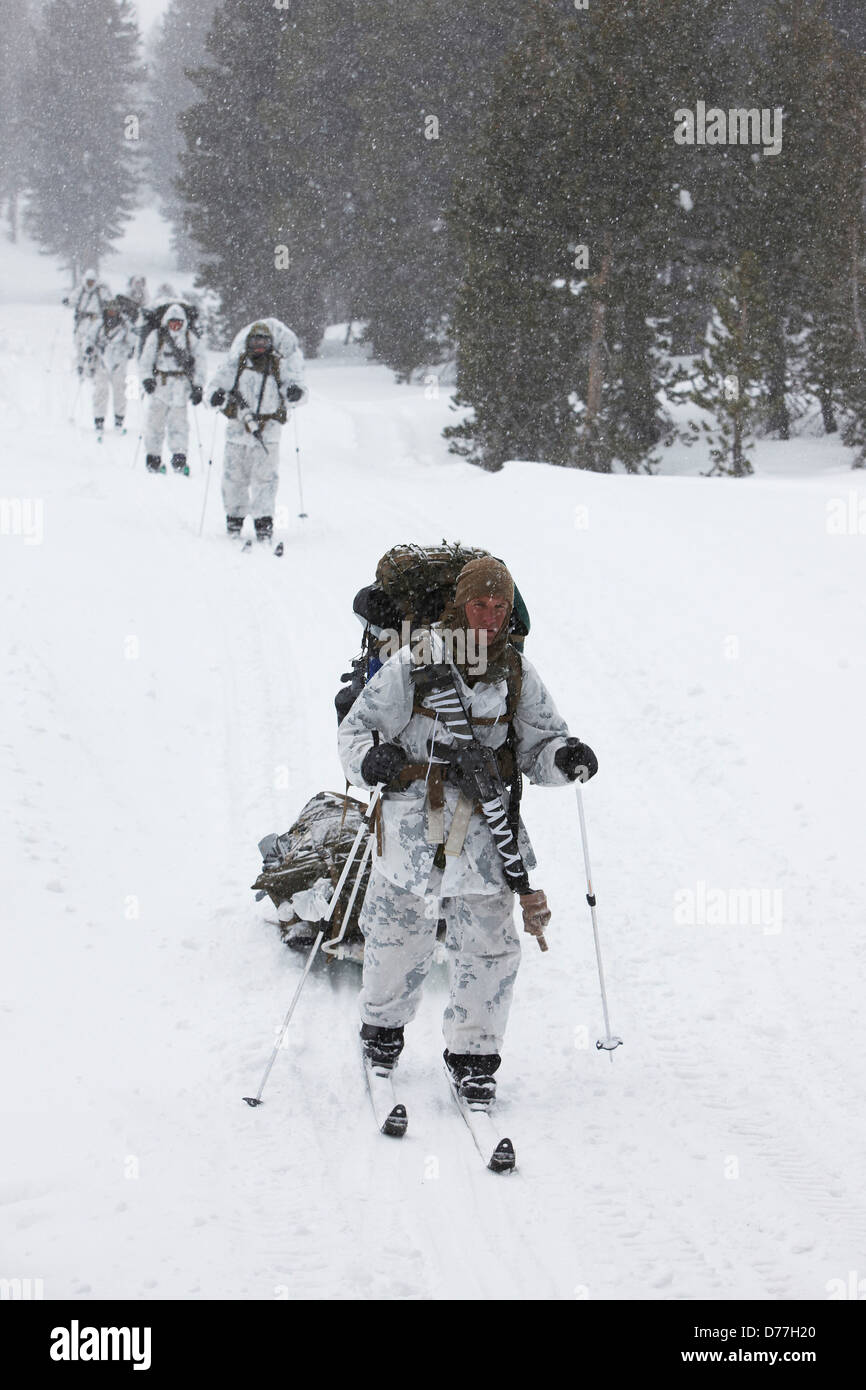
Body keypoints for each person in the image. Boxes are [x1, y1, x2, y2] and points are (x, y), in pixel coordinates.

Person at [337, 555, 598, 1104]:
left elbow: (540, 744)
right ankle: (381, 1034)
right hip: (413, 824)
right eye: (479, 604)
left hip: (486, 828)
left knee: (489, 947)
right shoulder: (416, 661)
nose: (489, 617)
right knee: (394, 935)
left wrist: (566, 755)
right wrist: (370, 763)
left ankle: (475, 1056)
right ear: (460, 604)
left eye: (500, 607)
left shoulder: (517, 673)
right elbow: (358, 726)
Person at [207, 319, 307, 542]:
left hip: (268, 433)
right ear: (248, 342)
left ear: (270, 343)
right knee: (234, 479)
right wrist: (216, 396)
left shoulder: (278, 366)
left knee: (266, 480)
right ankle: (234, 520)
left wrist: (295, 393)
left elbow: (296, 387)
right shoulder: (236, 365)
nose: (259, 345)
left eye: (263, 341)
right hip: (237, 432)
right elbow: (214, 387)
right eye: (255, 340)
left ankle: (264, 523)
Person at [139, 302, 206, 474]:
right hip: (160, 385)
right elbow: (145, 360)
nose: (176, 326)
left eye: (179, 323)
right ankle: (153, 458)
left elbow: (201, 363)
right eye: (172, 323)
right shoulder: (157, 337)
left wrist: (198, 386)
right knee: (155, 424)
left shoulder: (190, 339)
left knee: (179, 425)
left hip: (180, 387)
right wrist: (147, 379)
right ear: (166, 322)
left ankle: (179, 458)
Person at [82, 299, 137, 436]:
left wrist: (130, 349)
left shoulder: (125, 325)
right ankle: (99, 420)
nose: (112, 313)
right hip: (102, 361)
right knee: (101, 391)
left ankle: (119, 420)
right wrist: (88, 348)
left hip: (119, 362)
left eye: (115, 310)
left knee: (120, 392)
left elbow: (133, 341)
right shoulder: (99, 324)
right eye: (110, 310)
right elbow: (88, 338)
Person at [65, 268, 110, 376]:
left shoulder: (100, 292)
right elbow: (73, 300)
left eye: (92, 281)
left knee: (93, 343)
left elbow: (108, 301)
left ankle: (92, 365)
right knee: (79, 343)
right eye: (88, 281)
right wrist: (67, 301)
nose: (90, 283)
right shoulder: (80, 291)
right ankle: (80, 364)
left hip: (96, 321)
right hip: (82, 321)